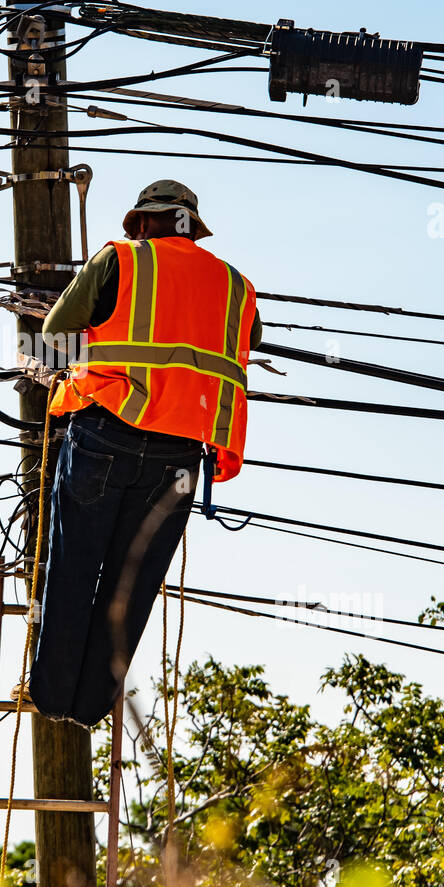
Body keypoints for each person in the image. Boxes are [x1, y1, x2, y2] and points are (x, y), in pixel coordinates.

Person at [21, 179, 262, 728]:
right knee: (131, 589)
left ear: (143, 222)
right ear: (191, 227)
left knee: (73, 569)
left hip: (107, 432)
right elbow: (247, 341)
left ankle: (54, 696)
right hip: (179, 460)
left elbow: (56, 334)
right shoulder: (236, 286)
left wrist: (100, 341)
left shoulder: (121, 259)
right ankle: (88, 708)